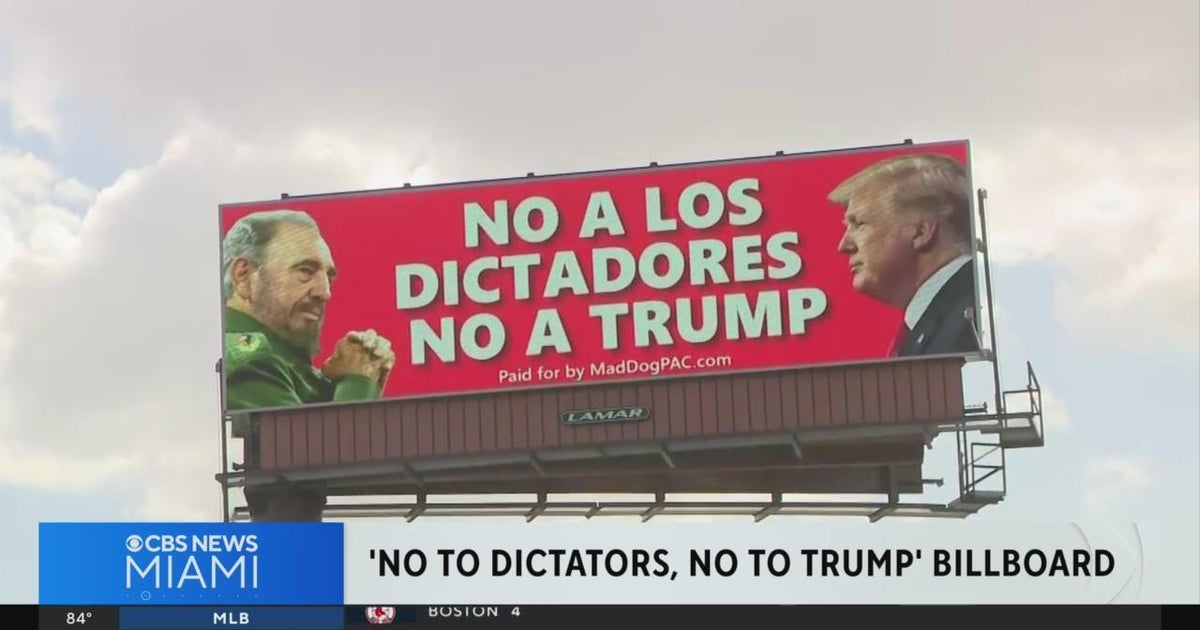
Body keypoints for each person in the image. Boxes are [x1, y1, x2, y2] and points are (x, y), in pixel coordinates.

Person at [220, 208, 396, 520]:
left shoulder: (286, 365)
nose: (325, 292)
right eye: (305, 271)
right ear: (244, 276)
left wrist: (362, 373)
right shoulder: (250, 357)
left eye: (329, 276)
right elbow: (318, 457)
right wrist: (356, 380)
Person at [827, 153, 981, 358]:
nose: (843, 245)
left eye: (859, 224)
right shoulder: (948, 314)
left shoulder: (970, 315)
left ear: (921, 231)